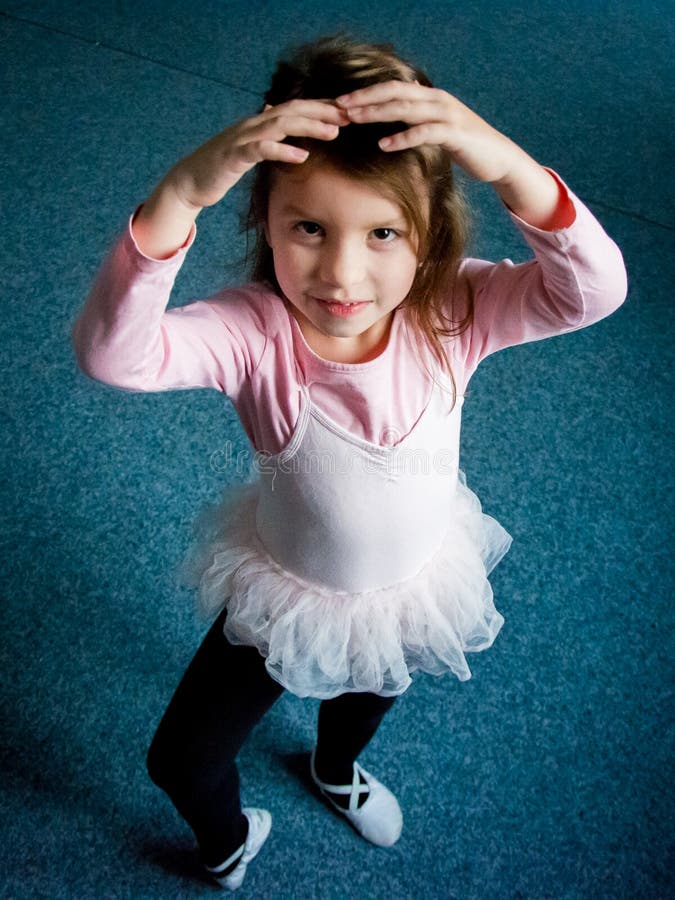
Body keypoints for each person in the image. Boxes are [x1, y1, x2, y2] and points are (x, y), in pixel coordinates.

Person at [72, 34, 627, 891]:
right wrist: (180, 192)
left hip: (412, 587)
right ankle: (226, 843)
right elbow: (116, 356)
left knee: (370, 691)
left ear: (429, 232)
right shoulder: (254, 333)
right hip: (287, 590)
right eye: (308, 227)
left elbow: (593, 290)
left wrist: (505, 161)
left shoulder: (457, 308)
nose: (341, 272)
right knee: (180, 760)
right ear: (262, 216)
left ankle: (334, 770)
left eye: (382, 232)